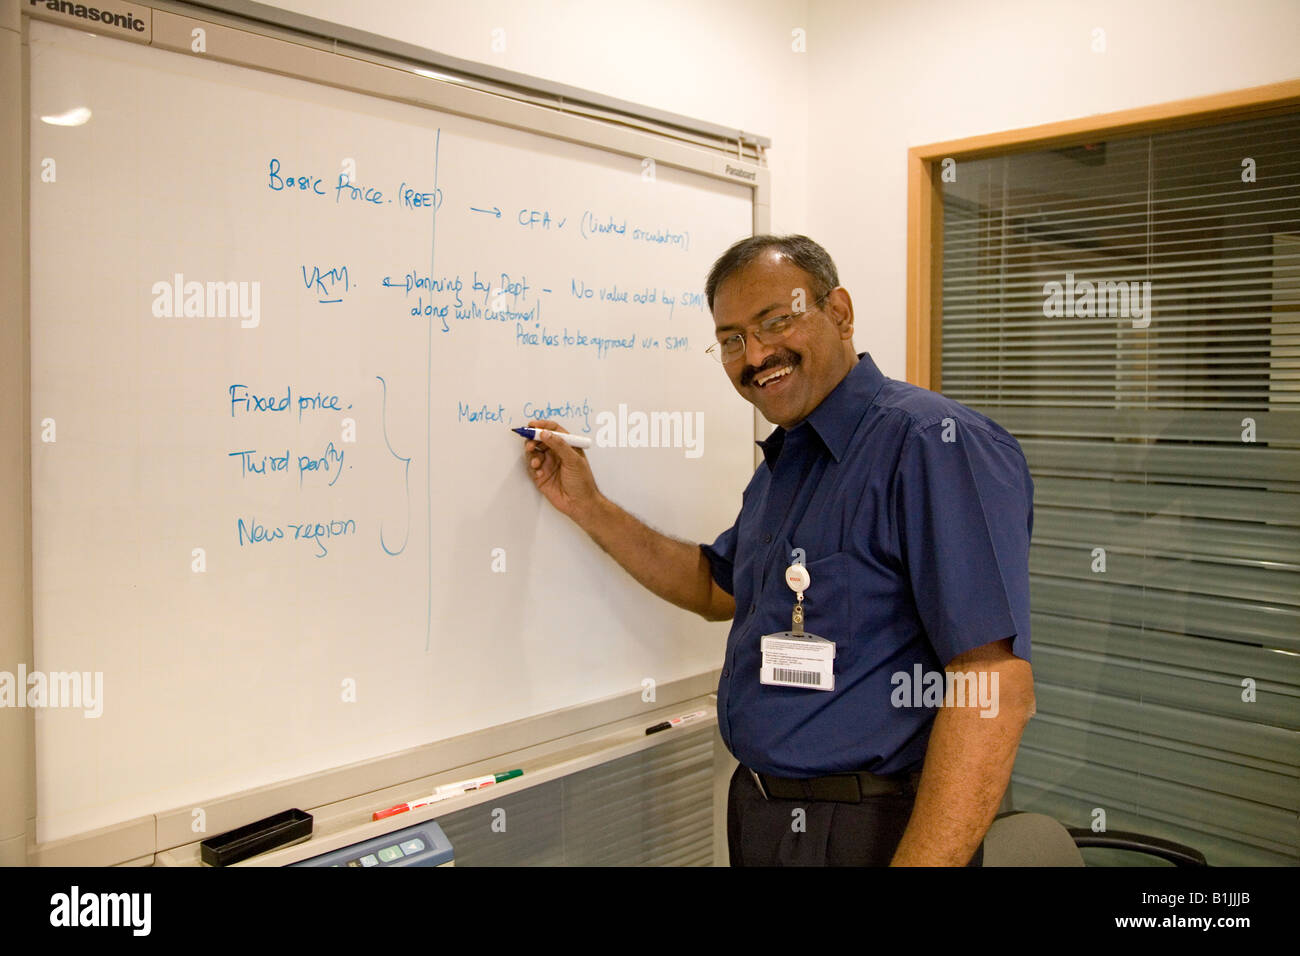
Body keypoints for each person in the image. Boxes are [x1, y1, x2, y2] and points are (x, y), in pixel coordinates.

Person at [521, 234, 1035, 866]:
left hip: (873, 832)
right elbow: (718, 588)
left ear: (839, 312)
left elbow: (990, 684)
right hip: (763, 816)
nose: (756, 354)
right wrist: (589, 506)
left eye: (775, 321)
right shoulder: (786, 460)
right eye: (732, 338)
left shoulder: (930, 444)